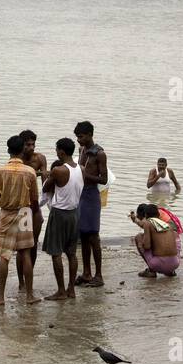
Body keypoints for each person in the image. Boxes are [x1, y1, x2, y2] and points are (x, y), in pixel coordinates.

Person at [0, 135, 40, 306]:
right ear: (22, 150)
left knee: (4, 255)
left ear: (9, 150)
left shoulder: (0, 171)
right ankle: (30, 295)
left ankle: (1, 297)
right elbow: (34, 198)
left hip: (7, 213)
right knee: (25, 253)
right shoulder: (30, 172)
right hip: (25, 212)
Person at [40, 137, 82, 300]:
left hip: (59, 213)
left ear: (61, 152)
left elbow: (46, 187)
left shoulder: (59, 170)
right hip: (74, 213)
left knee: (56, 253)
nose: (56, 153)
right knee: (71, 253)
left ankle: (61, 291)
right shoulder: (81, 169)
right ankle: (71, 289)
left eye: (57, 150)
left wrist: (46, 175)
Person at [75, 120, 108, 288]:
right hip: (81, 194)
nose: (78, 140)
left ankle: (99, 275)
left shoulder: (99, 154)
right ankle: (86, 273)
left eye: (81, 137)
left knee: (93, 235)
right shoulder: (82, 150)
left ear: (89, 135)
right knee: (83, 235)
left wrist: (84, 175)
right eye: (77, 137)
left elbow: (104, 179)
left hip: (92, 195)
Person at [19, 130, 49, 281]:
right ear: (21, 145)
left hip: (35, 204)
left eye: (33, 144)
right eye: (27, 145)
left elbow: (45, 182)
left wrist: (43, 174)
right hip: (22, 206)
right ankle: (21, 281)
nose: (31, 148)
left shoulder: (40, 158)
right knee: (22, 246)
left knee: (34, 243)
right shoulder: (17, 160)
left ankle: (29, 275)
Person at [131, 203, 180, 277]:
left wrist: (142, 243)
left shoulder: (148, 224)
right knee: (175, 235)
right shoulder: (167, 225)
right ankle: (170, 271)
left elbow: (147, 246)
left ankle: (151, 271)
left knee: (138, 237)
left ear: (146, 215)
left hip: (158, 264)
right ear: (158, 214)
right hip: (175, 263)